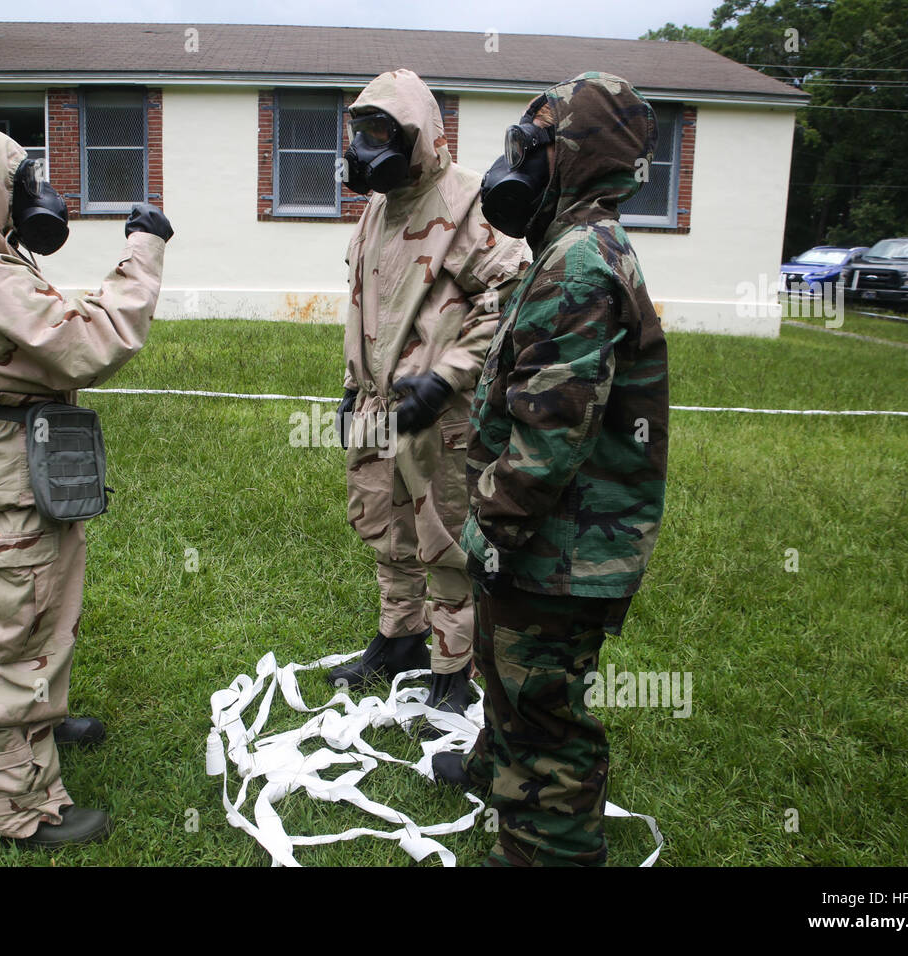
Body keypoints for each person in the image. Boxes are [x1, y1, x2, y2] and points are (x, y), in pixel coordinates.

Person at [0, 121, 172, 848]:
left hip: (15, 458)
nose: (34, 195)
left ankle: (37, 732)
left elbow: (45, 335)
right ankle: (9, 808)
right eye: (18, 181)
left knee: (41, 615)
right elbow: (87, 347)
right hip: (8, 469)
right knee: (13, 635)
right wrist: (142, 252)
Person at [433, 73, 669, 866]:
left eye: (529, 148)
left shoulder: (579, 265)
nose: (513, 166)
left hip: (558, 551)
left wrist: (488, 530)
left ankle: (547, 847)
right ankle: (501, 774)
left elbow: (548, 439)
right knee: (511, 680)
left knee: (545, 713)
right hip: (547, 544)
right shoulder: (568, 249)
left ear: (572, 158)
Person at [327, 69, 531, 720]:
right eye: (359, 132)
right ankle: (399, 639)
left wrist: (447, 376)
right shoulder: (378, 210)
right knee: (388, 534)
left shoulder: (468, 201)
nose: (364, 147)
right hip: (377, 405)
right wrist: (350, 390)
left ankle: (452, 668)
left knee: (441, 539)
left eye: (379, 132)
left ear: (416, 136)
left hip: (439, 411)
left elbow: (508, 300)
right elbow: (367, 310)